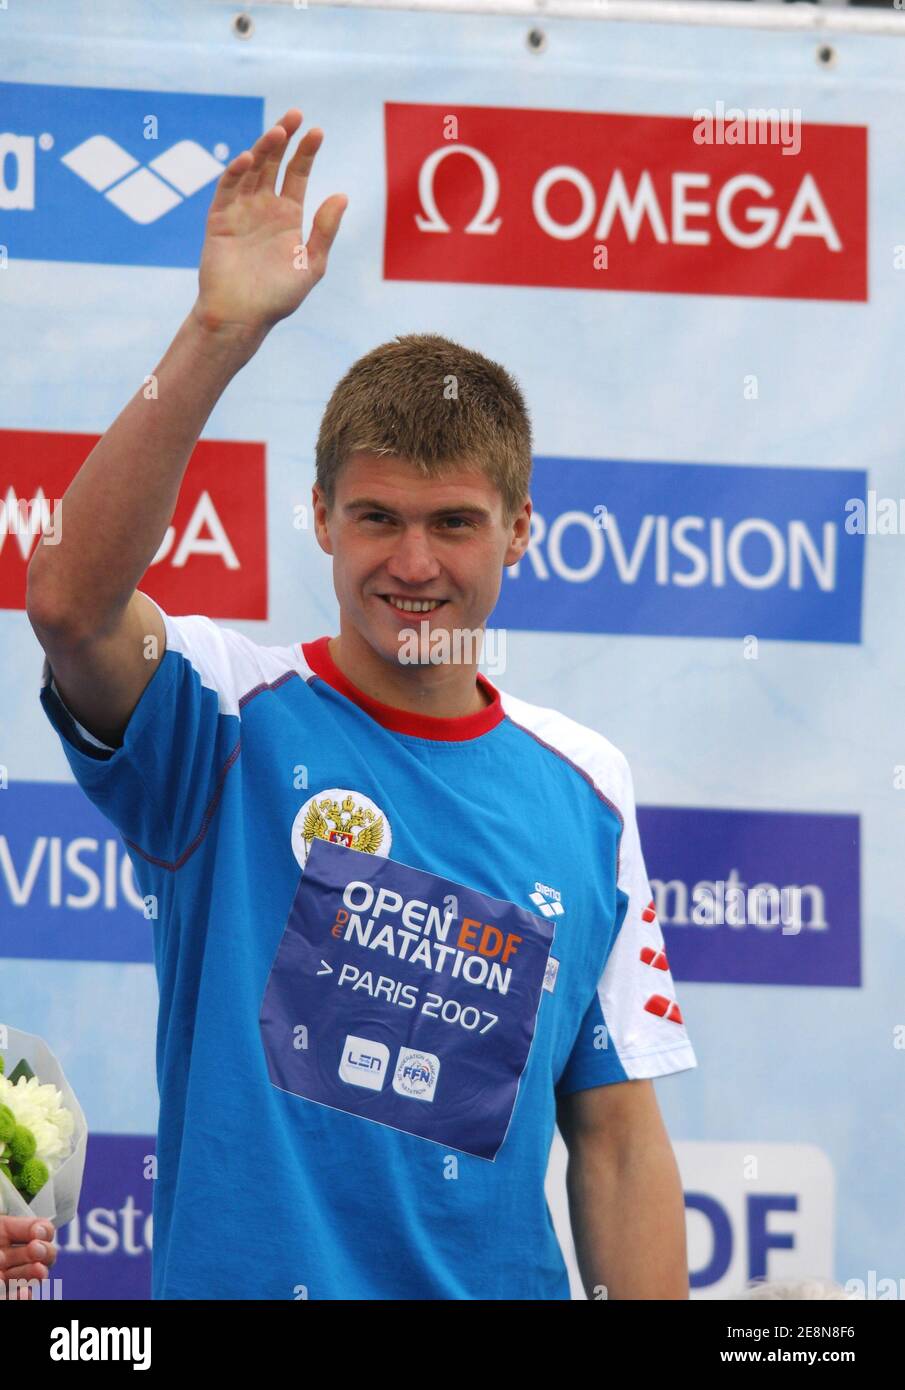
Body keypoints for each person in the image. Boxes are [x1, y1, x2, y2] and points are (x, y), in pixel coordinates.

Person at [22, 107, 698, 1300]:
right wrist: (217, 331)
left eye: (454, 523)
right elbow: (71, 604)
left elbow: (615, 1139)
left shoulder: (584, 784)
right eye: (378, 518)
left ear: (519, 531)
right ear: (322, 518)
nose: (414, 564)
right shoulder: (228, 716)